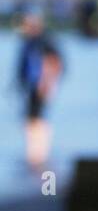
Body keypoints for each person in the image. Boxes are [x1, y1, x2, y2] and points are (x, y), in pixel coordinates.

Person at [14, 10, 64, 169]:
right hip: (31, 86)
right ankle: (34, 155)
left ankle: (39, 156)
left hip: (41, 86)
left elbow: (56, 62)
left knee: (37, 119)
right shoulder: (29, 41)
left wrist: (46, 83)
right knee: (30, 119)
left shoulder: (45, 41)